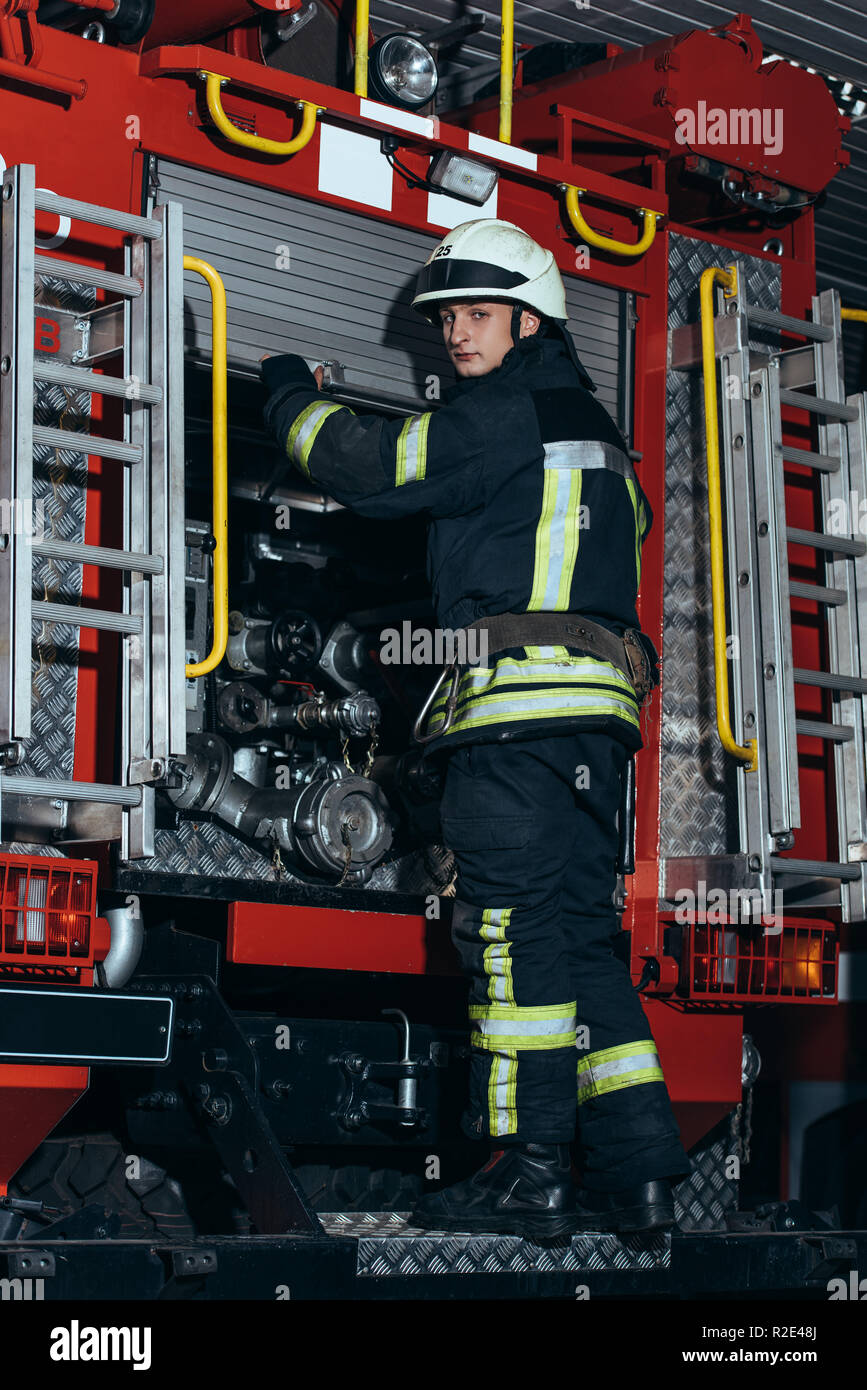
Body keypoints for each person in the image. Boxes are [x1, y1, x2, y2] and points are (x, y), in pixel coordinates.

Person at [261, 218, 691, 1240]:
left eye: (478, 313)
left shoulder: (504, 411)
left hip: (514, 728)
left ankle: (527, 1169)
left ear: (530, 318)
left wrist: (285, 394)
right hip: (594, 734)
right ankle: (640, 1179)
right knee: (581, 942)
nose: (457, 333)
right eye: (447, 316)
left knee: (503, 932)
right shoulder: (601, 438)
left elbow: (377, 464)